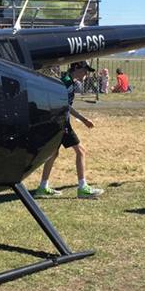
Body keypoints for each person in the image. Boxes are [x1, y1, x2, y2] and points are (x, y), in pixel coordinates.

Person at [34, 61, 103, 199]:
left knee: (53, 154)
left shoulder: (69, 81)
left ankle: (42, 187)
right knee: (81, 151)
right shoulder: (66, 82)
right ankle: (83, 188)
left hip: (59, 121)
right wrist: (83, 119)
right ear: (76, 68)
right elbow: (64, 104)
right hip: (61, 122)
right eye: (85, 70)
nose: (86, 73)